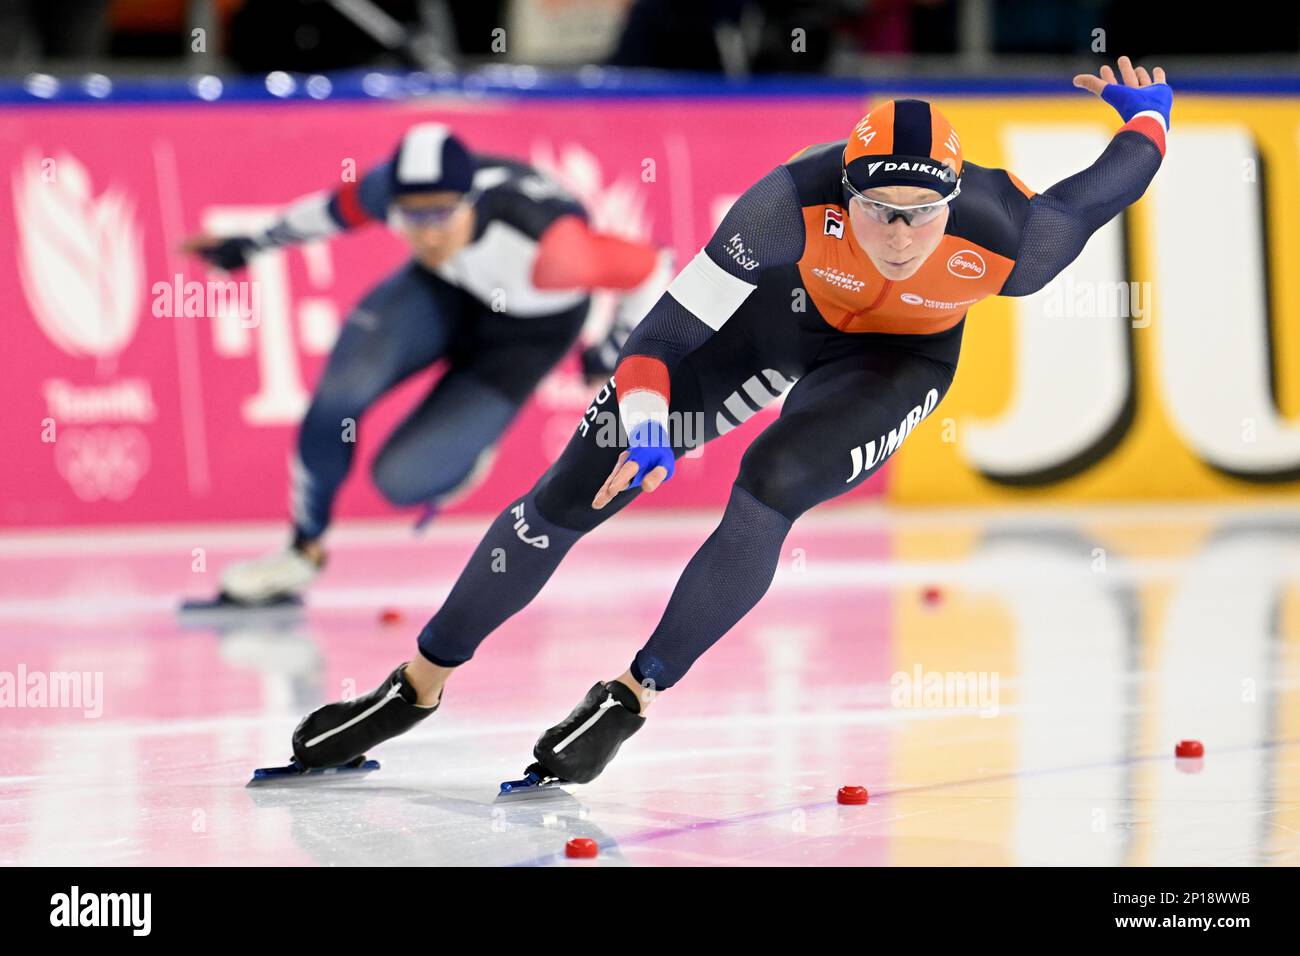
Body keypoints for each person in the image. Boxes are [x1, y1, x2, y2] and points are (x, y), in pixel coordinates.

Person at [282, 58, 1172, 784]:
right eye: (875, 212)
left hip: (896, 365)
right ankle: (418, 684)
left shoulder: (1015, 240)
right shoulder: (783, 206)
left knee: (769, 485)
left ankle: (633, 694)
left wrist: (1148, 120)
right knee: (576, 483)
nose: (898, 236)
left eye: (921, 217)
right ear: (844, 191)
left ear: (954, 202)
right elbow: (665, 333)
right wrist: (641, 420)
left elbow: (1104, 188)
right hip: (775, 322)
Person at [184, 123, 673, 606]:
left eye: (441, 214)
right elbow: (327, 213)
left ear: (468, 202)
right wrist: (250, 245)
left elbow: (651, 266)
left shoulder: (550, 248)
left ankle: (465, 452)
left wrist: (612, 348)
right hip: (445, 290)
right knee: (337, 398)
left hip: (526, 336)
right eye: (412, 217)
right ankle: (301, 550)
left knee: (399, 480)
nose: (427, 231)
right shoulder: (386, 193)